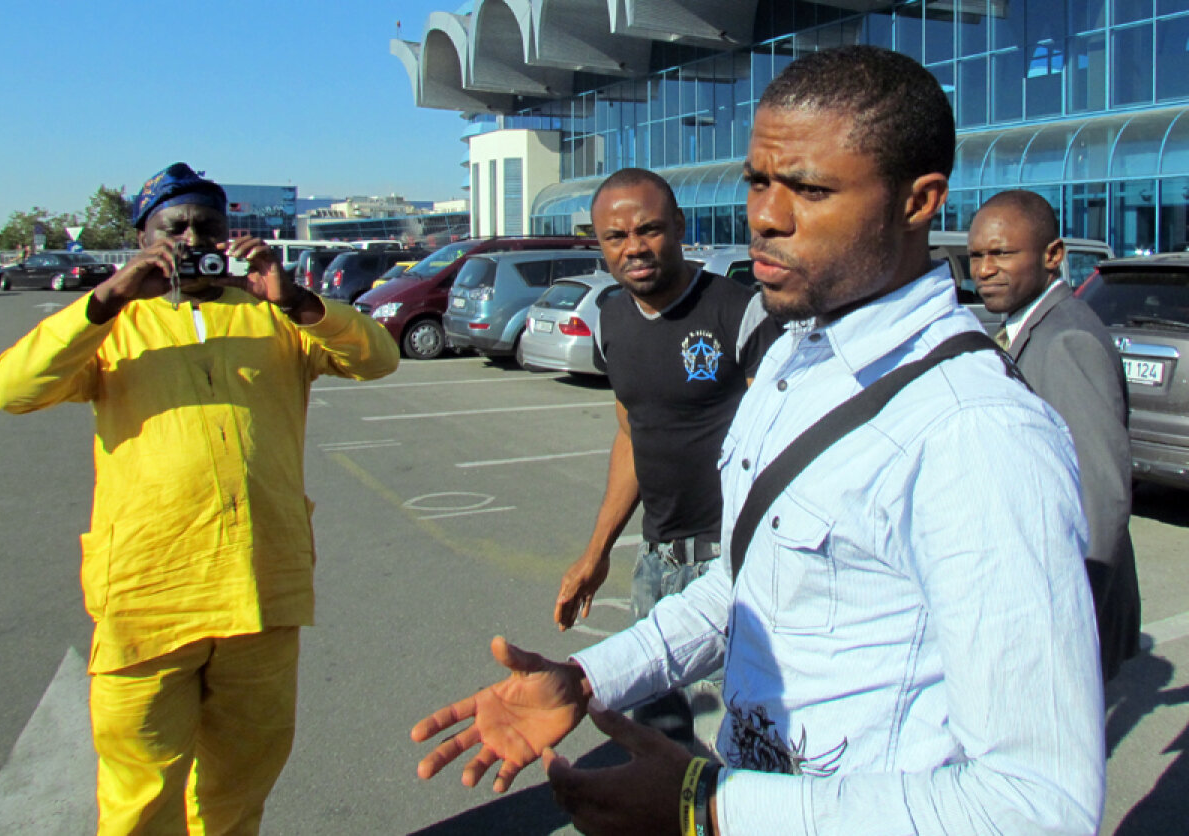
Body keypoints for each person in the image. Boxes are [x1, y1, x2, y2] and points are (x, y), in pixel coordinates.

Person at [411, 47, 1105, 835]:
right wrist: (590, 677)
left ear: (919, 202)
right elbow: (752, 586)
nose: (767, 216)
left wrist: (709, 810)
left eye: (809, 188)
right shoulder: (795, 361)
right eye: (757, 180)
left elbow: (1037, 805)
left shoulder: (975, 433)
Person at [0, 162, 399, 834]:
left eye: (203, 226)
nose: (187, 239)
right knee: (141, 800)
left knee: (238, 790)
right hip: (148, 599)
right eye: (170, 227)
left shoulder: (277, 318)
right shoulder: (116, 324)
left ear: (228, 234)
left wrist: (294, 297)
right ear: (143, 238)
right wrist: (110, 297)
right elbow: (12, 390)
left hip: (260, 592)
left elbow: (378, 358)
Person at [553, 167, 782, 745]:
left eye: (649, 230)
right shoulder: (611, 320)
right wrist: (596, 552)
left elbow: (782, 446)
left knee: (725, 752)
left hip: (731, 569)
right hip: (654, 567)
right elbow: (633, 434)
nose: (633, 247)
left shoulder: (740, 313)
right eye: (615, 237)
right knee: (654, 747)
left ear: (679, 226)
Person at [970, 189, 1141, 681]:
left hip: (1062, 617)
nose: (984, 270)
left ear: (1053, 255)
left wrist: (1068, 626)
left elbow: (1100, 498)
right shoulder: (1022, 328)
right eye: (978, 256)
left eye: (1002, 253)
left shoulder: (1067, 340)